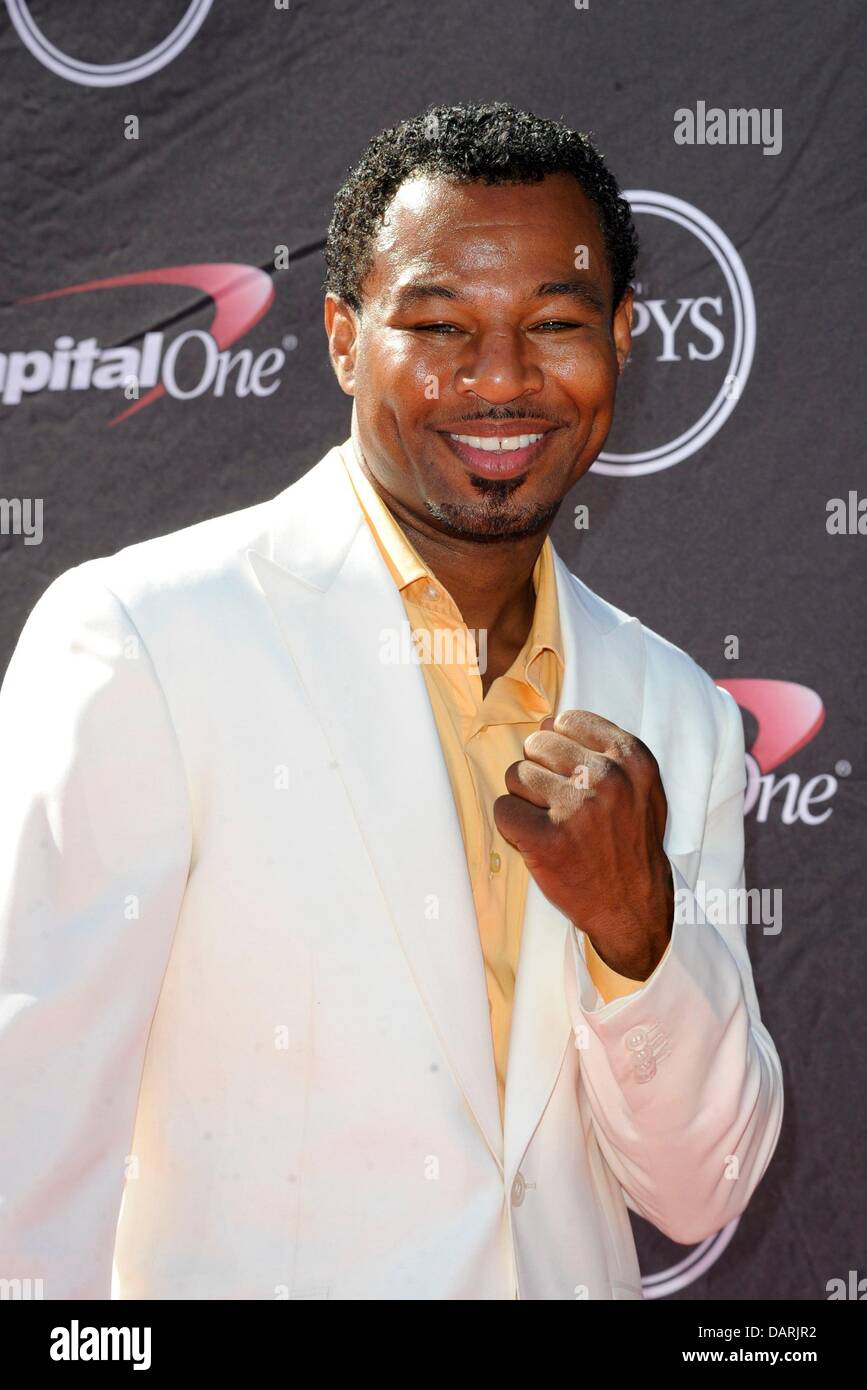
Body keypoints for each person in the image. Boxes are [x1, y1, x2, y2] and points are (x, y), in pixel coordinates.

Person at [0, 101, 783, 1300]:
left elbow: (699, 1188)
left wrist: (641, 936)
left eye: (556, 324)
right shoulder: (145, 642)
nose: (501, 377)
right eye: (438, 323)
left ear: (624, 337)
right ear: (341, 338)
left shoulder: (673, 705)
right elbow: (26, 1138)